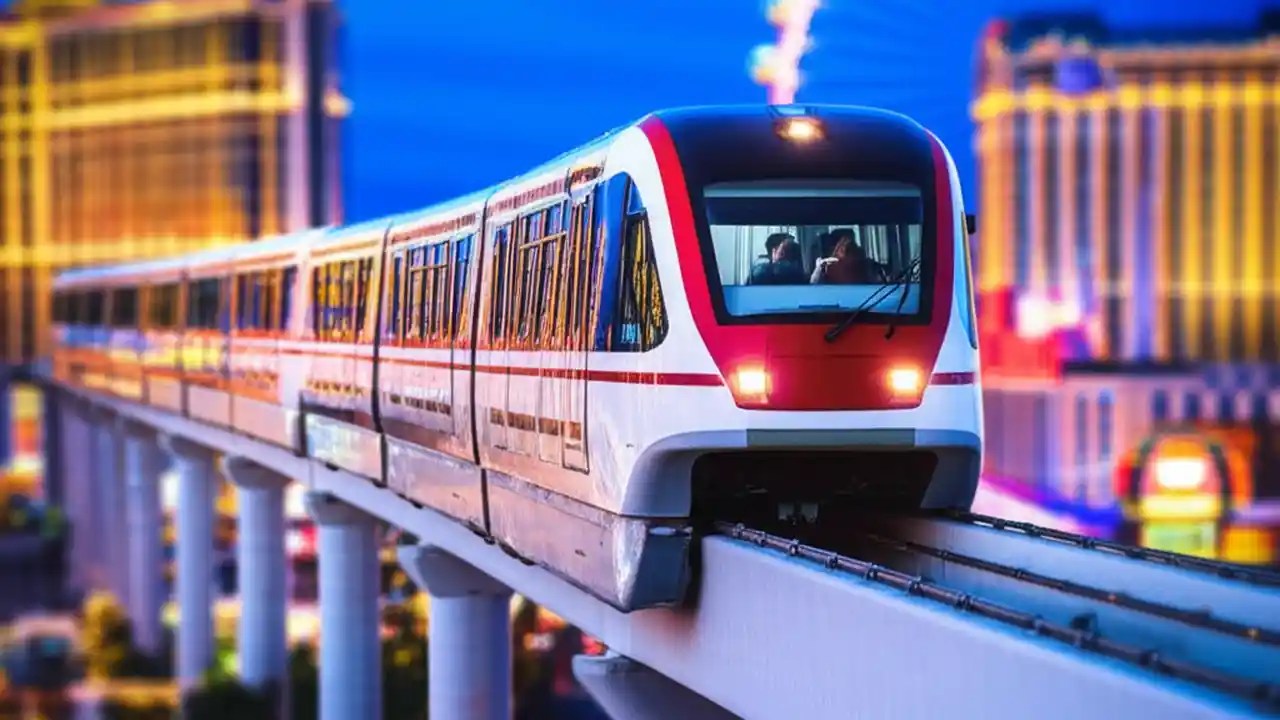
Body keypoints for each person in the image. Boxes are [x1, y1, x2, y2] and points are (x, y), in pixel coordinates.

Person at [811, 232, 882, 284]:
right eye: (841, 247)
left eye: (849, 247)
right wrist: (819, 268)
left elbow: (877, 285)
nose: (844, 250)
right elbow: (813, 286)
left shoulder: (866, 265)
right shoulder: (825, 265)